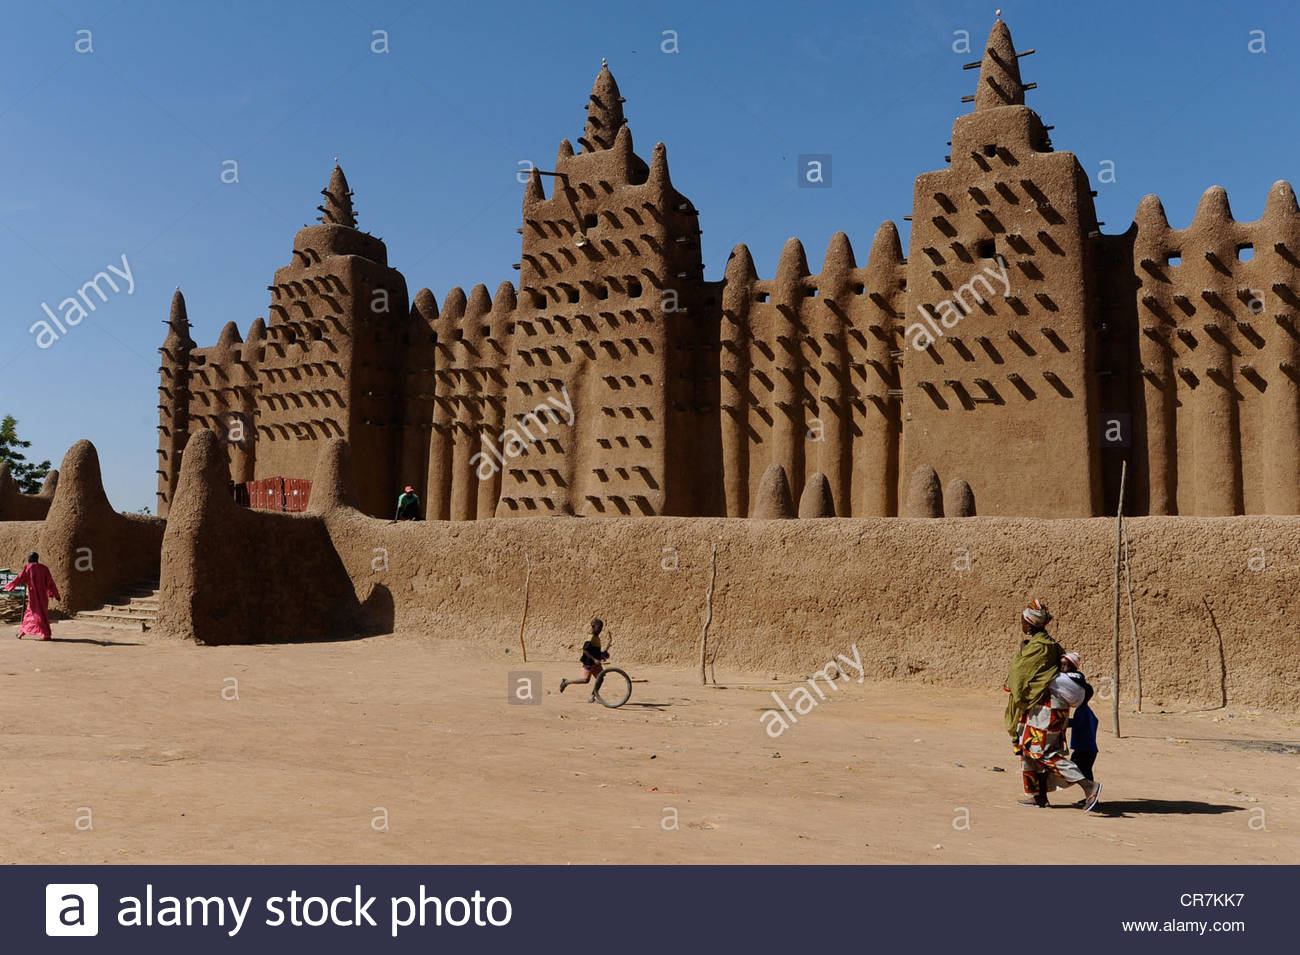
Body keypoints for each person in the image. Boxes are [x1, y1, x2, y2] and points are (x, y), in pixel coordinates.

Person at [1003, 601, 1102, 811]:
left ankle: (1088, 786)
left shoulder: (1039, 647)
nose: (1021, 623)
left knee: (1043, 752)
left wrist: (1020, 660)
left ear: (1029, 624)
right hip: (1044, 707)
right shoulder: (1050, 645)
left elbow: (1019, 677)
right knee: (1029, 750)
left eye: (1022, 620)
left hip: (1047, 708)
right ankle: (1038, 797)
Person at [1062, 651, 1100, 786]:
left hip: (1084, 749)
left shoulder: (1082, 711)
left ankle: (1091, 791)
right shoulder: (1088, 711)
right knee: (1085, 771)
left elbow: (1077, 723)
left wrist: (1063, 722)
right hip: (1088, 749)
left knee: (1077, 770)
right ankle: (1090, 795)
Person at [4, 552, 61, 641]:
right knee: (41, 615)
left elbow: (19, 578)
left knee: (33, 615)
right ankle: (34, 633)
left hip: (34, 597)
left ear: (30, 559)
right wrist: (56, 594)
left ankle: (38, 634)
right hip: (43, 598)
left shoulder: (29, 567)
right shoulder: (44, 568)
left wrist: (9, 586)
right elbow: (51, 583)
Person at [559, 618, 610, 698]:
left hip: (595, 663)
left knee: (600, 678)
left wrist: (602, 655)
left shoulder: (597, 637)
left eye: (601, 628)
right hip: (589, 662)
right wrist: (594, 659)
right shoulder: (591, 637)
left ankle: (593, 696)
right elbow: (585, 650)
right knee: (585, 680)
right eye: (599, 627)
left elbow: (595, 651)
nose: (600, 630)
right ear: (593, 627)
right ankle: (566, 682)